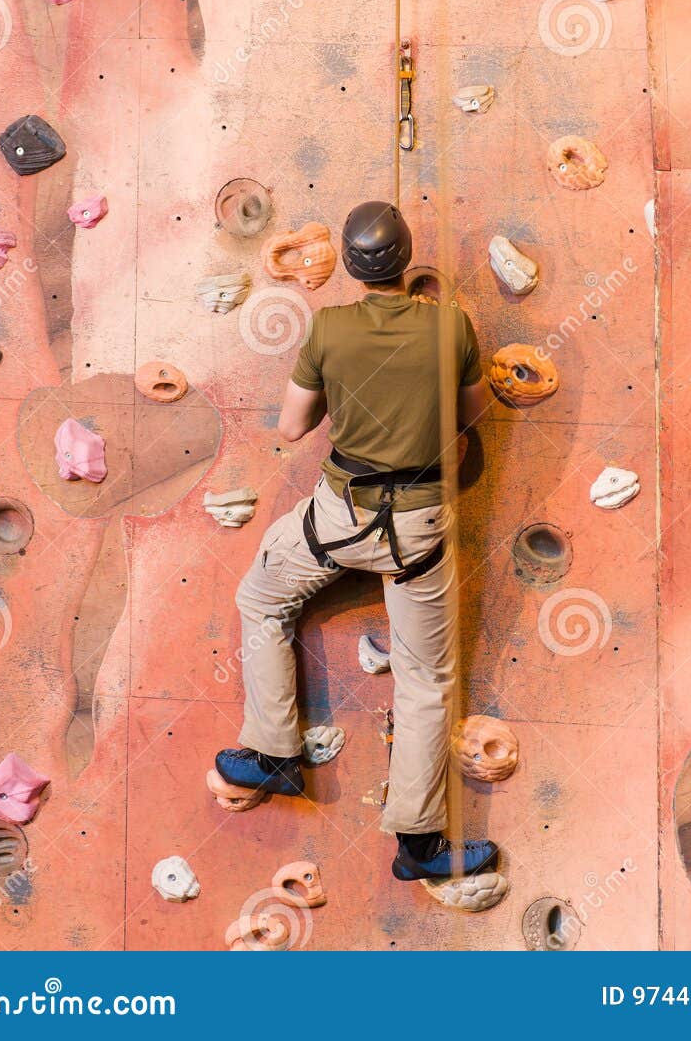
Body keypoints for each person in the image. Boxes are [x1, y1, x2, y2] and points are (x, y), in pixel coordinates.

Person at [214, 199, 500, 882]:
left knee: (261, 600)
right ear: (405, 262)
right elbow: (470, 416)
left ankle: (274, 752)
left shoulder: (329, 330)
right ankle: (419, 843)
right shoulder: (451, 327)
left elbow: (290, 428)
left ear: (347, 263)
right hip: (419, 530)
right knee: (425, 680)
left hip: (338, 520)